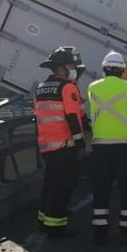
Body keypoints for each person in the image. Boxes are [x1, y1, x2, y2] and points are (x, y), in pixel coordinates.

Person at [87, 51, 127, 245]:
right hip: (125, 147)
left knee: (101, 190)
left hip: (100, 147)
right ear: (122, 70)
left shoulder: (92, 87)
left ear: (104, 69)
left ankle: (99, 232)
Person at [34, 46, 87, 239]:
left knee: (50, 184)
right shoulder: (68, 88)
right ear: (63, 67)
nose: (74, 68)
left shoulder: (41, 88)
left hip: (47, 145)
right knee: (62, 187)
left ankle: (44, 219)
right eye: (72, 65)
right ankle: (56, 227)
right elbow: (72, 116)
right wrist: (80, 142)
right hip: (65, 145)